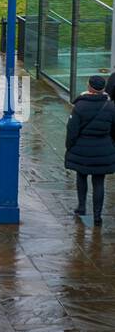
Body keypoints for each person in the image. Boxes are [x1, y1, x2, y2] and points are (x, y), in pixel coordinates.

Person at [65, 75, 115, 225]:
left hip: (82, 149)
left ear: (89, 87)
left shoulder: (79, 107)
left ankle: (81, 207)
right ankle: (97, 215)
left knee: (82, 177)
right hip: (103, 149)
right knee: (99, 183)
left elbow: (72, 131)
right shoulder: (111, 107)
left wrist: (70, 146)